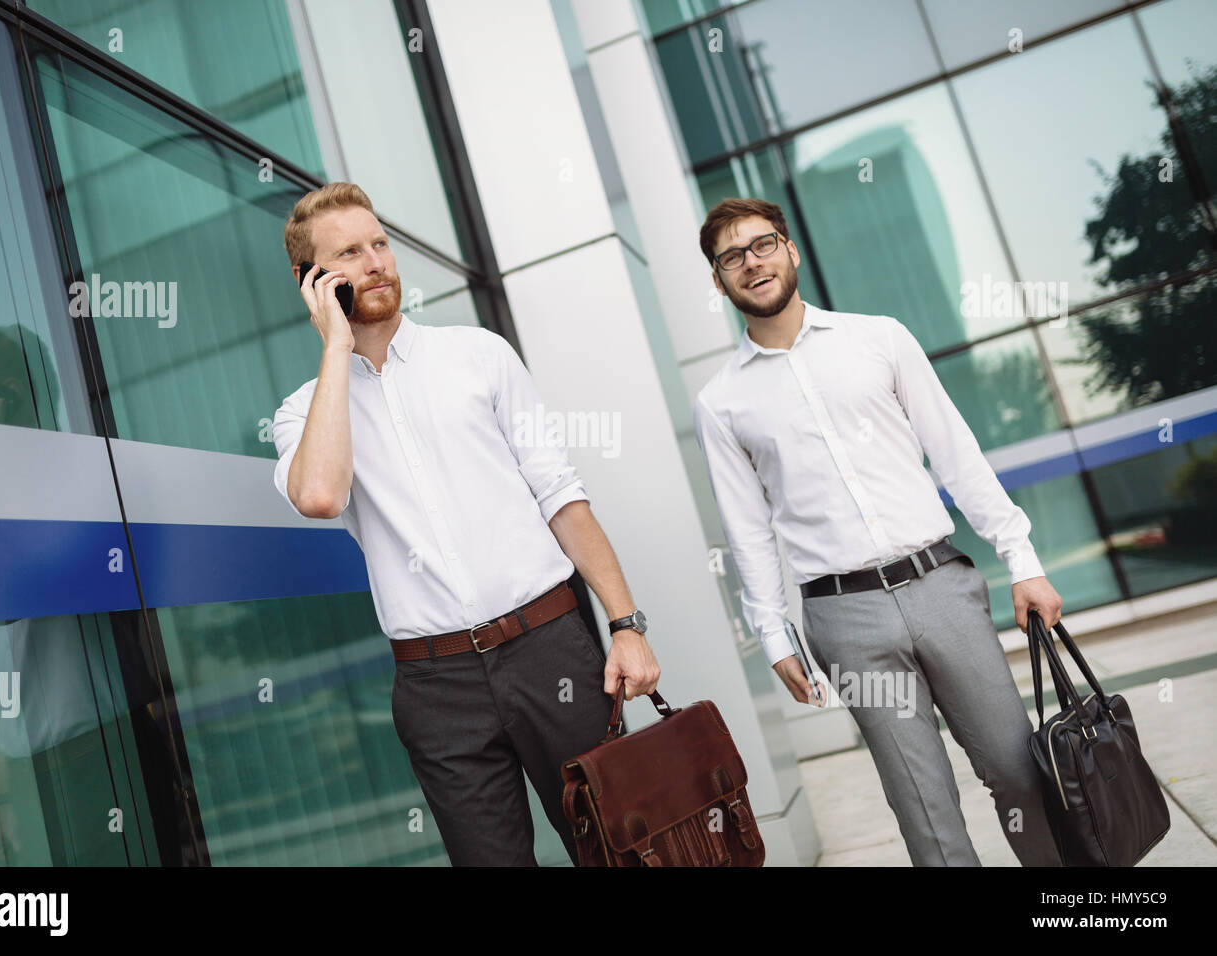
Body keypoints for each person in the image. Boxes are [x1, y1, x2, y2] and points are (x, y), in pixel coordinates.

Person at [271, 183, 659, 866]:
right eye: (350, 254)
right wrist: (336, 350)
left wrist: (625, 626)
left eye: (380, 244)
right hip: (434, 686)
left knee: (617, 849)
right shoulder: (303, 414)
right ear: (312, 282)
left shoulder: (479, 356)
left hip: (549, 648)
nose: (377, 262)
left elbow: (561, 497)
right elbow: (323, 494)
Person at [691, 197, 1062, 867]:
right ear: (719, 281)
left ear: (791, 250)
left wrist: (1023, 558)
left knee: (1018, 772)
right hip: (844, 618)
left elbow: (957, 454)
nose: (753, 261)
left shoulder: (879, 338)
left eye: (763, 243)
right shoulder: (721, 401)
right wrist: (774, 634)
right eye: (732, 256)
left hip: (941, 587)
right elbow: (746, 528)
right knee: (924, 808)